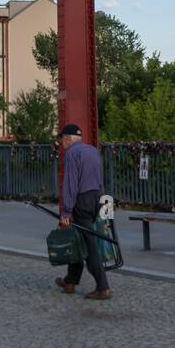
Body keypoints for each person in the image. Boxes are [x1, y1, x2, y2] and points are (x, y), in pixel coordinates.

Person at [53, 123, 111, 300]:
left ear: (68, 139)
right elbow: (101, 180)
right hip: (96, 198)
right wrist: (103, 207)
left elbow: (71, 185)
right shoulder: (93, 151)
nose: (61, 144)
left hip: (82, 200)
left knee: (88, 243)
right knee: (76, 239)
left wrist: (66, 213)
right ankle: (70, 281)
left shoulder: (72, 154)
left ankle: (103, 287)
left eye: (62, 139)